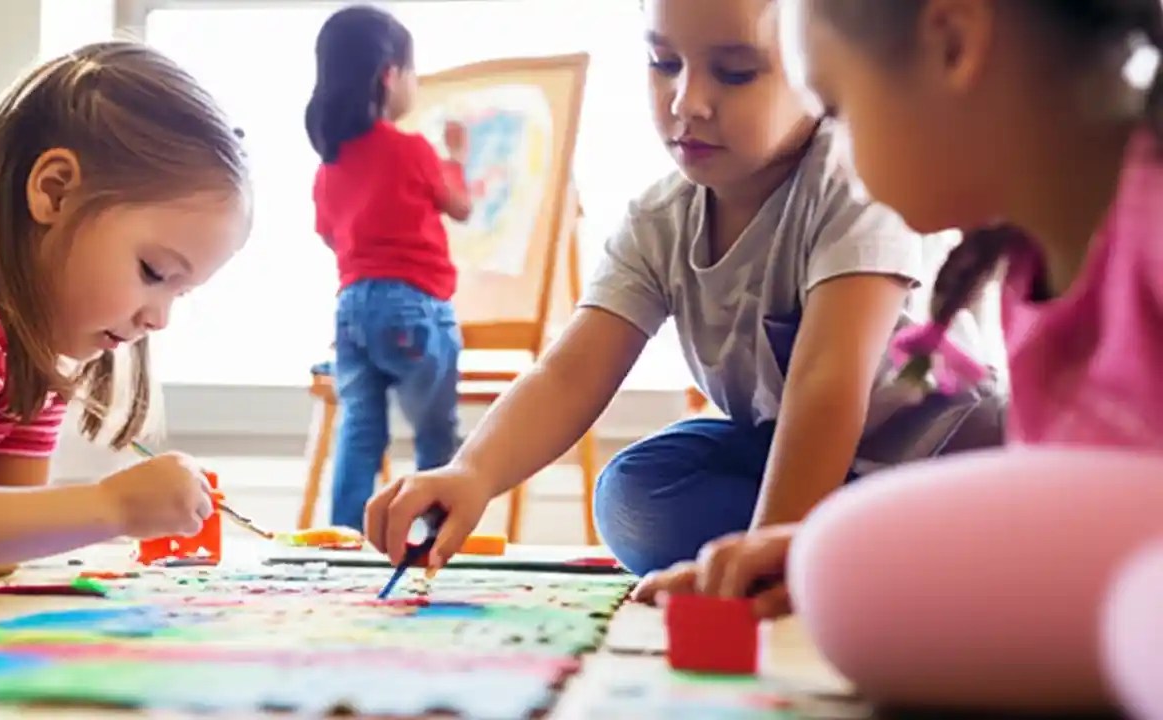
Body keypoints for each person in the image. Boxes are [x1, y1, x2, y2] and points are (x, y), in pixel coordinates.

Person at [637, 0, 1163, 712]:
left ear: (951, 44)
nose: (839, 157)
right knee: (844, 574)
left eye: (839, 110)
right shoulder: (1026, 264)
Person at [364, 0, 1003, 576]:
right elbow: (570, 373)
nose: (686, 101)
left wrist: (769, 551)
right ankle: (850, 549)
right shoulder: (659, 220)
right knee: (634, 496)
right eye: (663, 62)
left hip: (941, 456)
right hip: (805, 461)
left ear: (820, 68)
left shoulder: (855, 175)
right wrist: (472, 472)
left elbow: (828, 382)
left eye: (733, 72)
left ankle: (842, 551)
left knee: (977, 505)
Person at [0, 41, 251, 577]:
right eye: (153, 272)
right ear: (55, 193)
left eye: (180, 293)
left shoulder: (32, 357)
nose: (159, 319)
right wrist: (114, 507)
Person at [308, 5, 473, 531]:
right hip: (414, 305)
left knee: (359, 431)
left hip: (352, 307)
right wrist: (456, 155)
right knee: (435, 432)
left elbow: (328, 234)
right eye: (413, 72)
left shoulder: (331, 162)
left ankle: (342, 538)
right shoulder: (412, 151)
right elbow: (461, 206)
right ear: (389, 76)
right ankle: (434, 535)